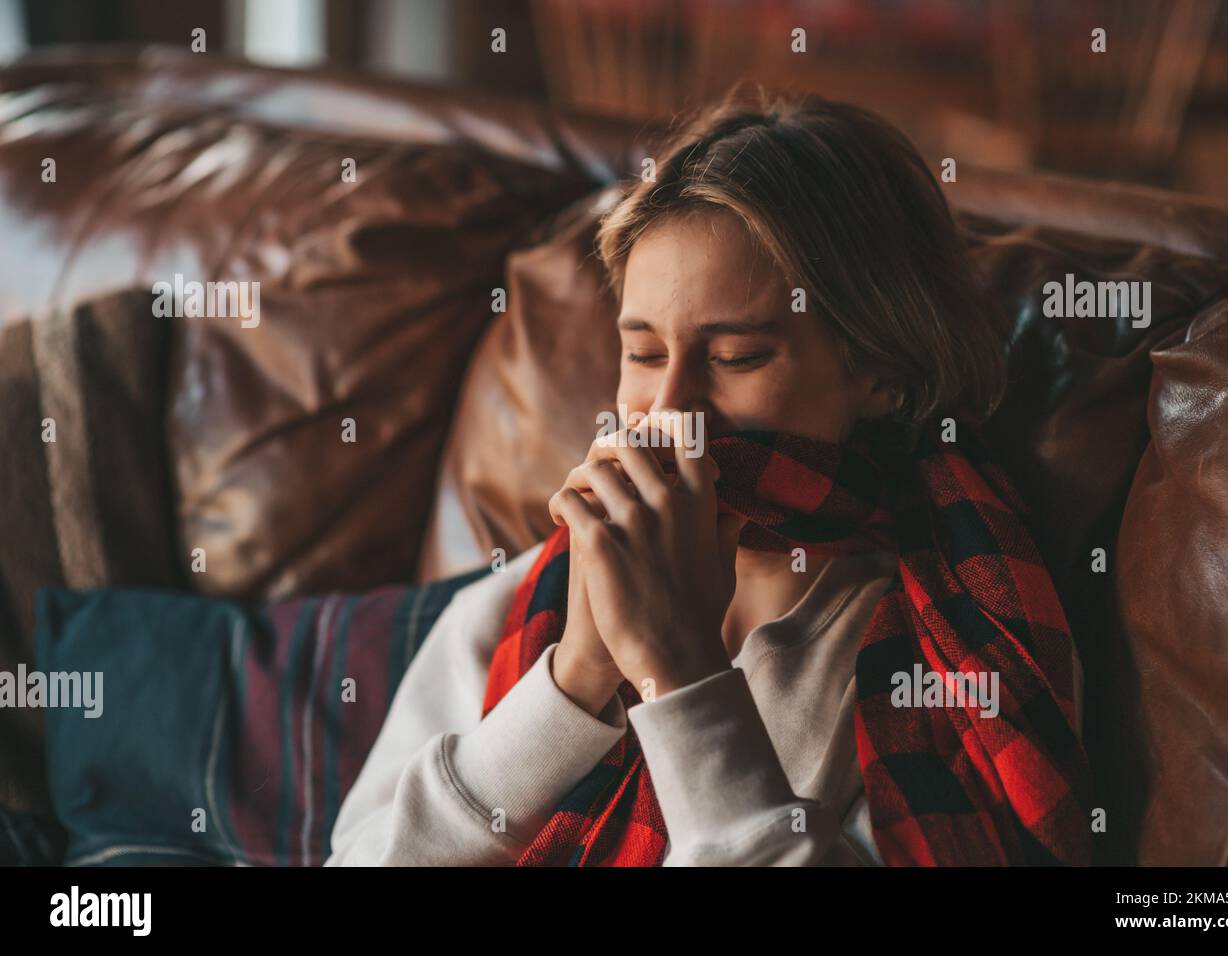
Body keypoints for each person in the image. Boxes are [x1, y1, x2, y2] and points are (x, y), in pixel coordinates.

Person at [326, 84, 1089, 867]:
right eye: (645, 353)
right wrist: (574, 680)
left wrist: (681, 672)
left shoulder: (945, 660)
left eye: (737, 357)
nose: (669, 408)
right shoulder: (527, 601)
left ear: (882, 372)